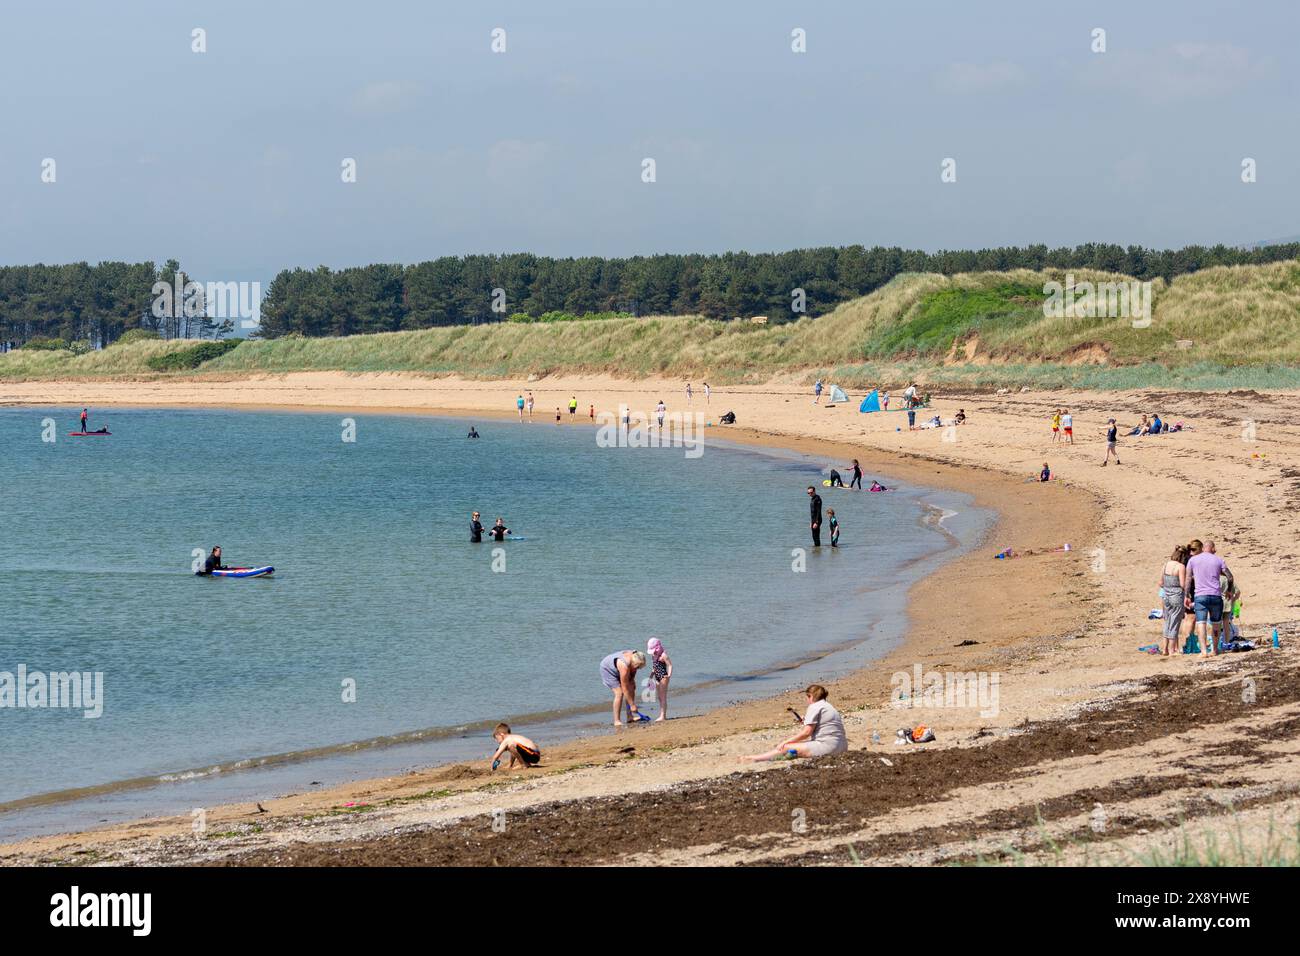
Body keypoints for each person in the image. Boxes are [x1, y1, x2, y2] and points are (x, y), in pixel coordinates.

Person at [741, 685, 848, 762]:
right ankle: (773, 757)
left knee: (786, 747)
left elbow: (806, 733)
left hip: (829, 748)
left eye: (807, 697)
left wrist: (785, 742)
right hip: (842, 746)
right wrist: (805, 721)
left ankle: (755, 758)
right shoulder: (828, 706)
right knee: (795, 748)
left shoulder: (814, 706)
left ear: (810, 696)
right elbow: (824, 726)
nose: (807, 701)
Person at [1186, 539, 1232, 659]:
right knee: (1216, 624)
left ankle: (1203, 651)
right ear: (1211, 548)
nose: (1215, 550)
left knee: (1201, 623)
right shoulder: (1218, 560)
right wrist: (1229, 591)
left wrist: (1186, 595)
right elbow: (1230, 577)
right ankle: (1214, 650)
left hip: (1200, 596)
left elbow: (1188, 579)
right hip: (1216, 596)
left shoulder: (1193, 560)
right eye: (1214, 548)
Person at [600, 650, 647, 726]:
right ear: (632, 662)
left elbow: (631, 678)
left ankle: (630, 717)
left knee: (631, 687)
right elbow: (624, 687)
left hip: (621, 667)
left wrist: (632, 682)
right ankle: (617, 720)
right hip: (607, 669)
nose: (637, 669)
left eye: (639, 667)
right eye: (637, 667)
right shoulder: (624, 666)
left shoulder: (637, 657)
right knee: (619, 693)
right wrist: (632, 705)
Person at [1159, 545, 1190, 656]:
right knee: (1174, 623)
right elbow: (1182, 584)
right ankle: (1172, 650)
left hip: (1166, 596)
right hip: (1177, 597)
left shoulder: (1166, 564)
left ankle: (1165, 649)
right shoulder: (1181, 567)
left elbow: (1160, 583)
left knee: (1167, 621)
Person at [647, 637, 672, 721]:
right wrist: (650, 677)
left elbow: (670, 665)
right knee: (659, 697)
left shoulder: (663, 655)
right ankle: (661, 714)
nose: (653, 652)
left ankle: (663, 716)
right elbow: (654, 668)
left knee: (663, 696)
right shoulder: (654, 656)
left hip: (663, 677)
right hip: (657, 677)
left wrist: (669, 675)